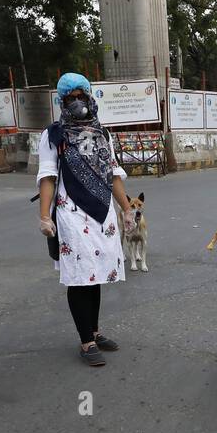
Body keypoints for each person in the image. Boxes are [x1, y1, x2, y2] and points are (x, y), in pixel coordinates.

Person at [36, 73, 137, 367]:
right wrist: (44, 216)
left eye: (82, 95)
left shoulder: (102, 134)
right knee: (80, 278)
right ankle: (86, 341)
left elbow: (113, 174)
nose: (78, 102)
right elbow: (48, 176)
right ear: (62, 102)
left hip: (102, 213)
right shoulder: (54, 135)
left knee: (97, 275)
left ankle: (94, 330)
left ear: (90, 97)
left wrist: (126, 208)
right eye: (71, 98)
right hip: (71, 213)